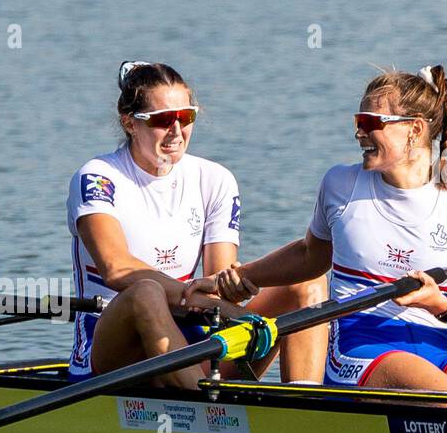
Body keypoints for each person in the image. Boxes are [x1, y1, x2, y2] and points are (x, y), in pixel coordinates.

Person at [225, 66, 447, 395]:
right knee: (444, 390)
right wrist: (240, 276)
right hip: (357, 351)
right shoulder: (341, 185)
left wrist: (441, 306)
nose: (358, 133)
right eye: (358, 122)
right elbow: (309, 257)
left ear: (415, 130)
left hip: (439, 348)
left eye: (370, 123)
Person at [67, 61, 328, 390]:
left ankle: (302, 408)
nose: (177, 131)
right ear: (129, 123)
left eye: (186, 117)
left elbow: (216, 281)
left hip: (196, 333)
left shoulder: (214, 180)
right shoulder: (98, 178)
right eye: (163, 120)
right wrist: (211, 304)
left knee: (307, 283)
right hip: (114, 349)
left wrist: (232, 286)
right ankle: (210, 413)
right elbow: (116, 269)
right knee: (146, 293)